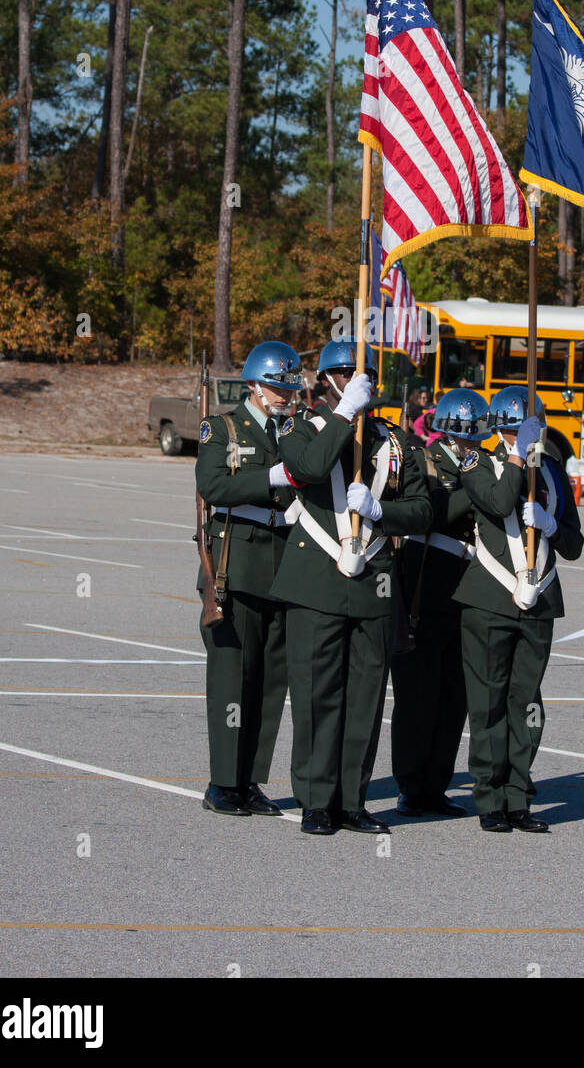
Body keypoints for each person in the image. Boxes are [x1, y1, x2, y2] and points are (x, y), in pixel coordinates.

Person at [270, 340, 432, 836]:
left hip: (375, 583)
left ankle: (352, 799)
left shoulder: (397, 441)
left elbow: (425, 510)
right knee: (318, 693)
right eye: (339, 372)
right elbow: (312, 468)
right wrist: (343, 414)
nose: (348, 377)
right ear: (324, 380)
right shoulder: (302, 425)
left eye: (356, 372)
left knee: (366, 695)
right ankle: (316, 801)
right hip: (315, 577)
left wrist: (383, 511)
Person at [454, 386, 583, 833]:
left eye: (527, 429)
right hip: (490, 598)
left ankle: (518, 797)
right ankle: (490, 799)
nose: (522, 437)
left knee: (526, 703)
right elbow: (497, 501)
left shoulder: (551, 471)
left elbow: (575, 544)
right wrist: (515, 457)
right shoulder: (477, 462)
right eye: (512, 431)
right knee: (488, 700)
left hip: (540, 599)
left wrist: (550, 525)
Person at [195, 340, 302, 817]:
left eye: (288, 388)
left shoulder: (291, 432)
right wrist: (272, 479)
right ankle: (223, 782)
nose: (285, 395)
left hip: (282, 568)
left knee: (268, 682)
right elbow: (213, 486)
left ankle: (252, 780)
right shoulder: (222, 428)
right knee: (232, 679)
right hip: (235, 566)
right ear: (255, 387)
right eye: (278, 388)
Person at [390, 388, 488, 819]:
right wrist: (477, 483)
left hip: (471, 588)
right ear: (445, 430)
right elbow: (435, 512)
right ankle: (411, 786)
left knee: (454, 696)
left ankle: (437, 786)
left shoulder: (484, 463)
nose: (471, 441)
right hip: (426, 588)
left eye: (476, 434)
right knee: (419, 695)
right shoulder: (425, 462)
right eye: (463, 433)